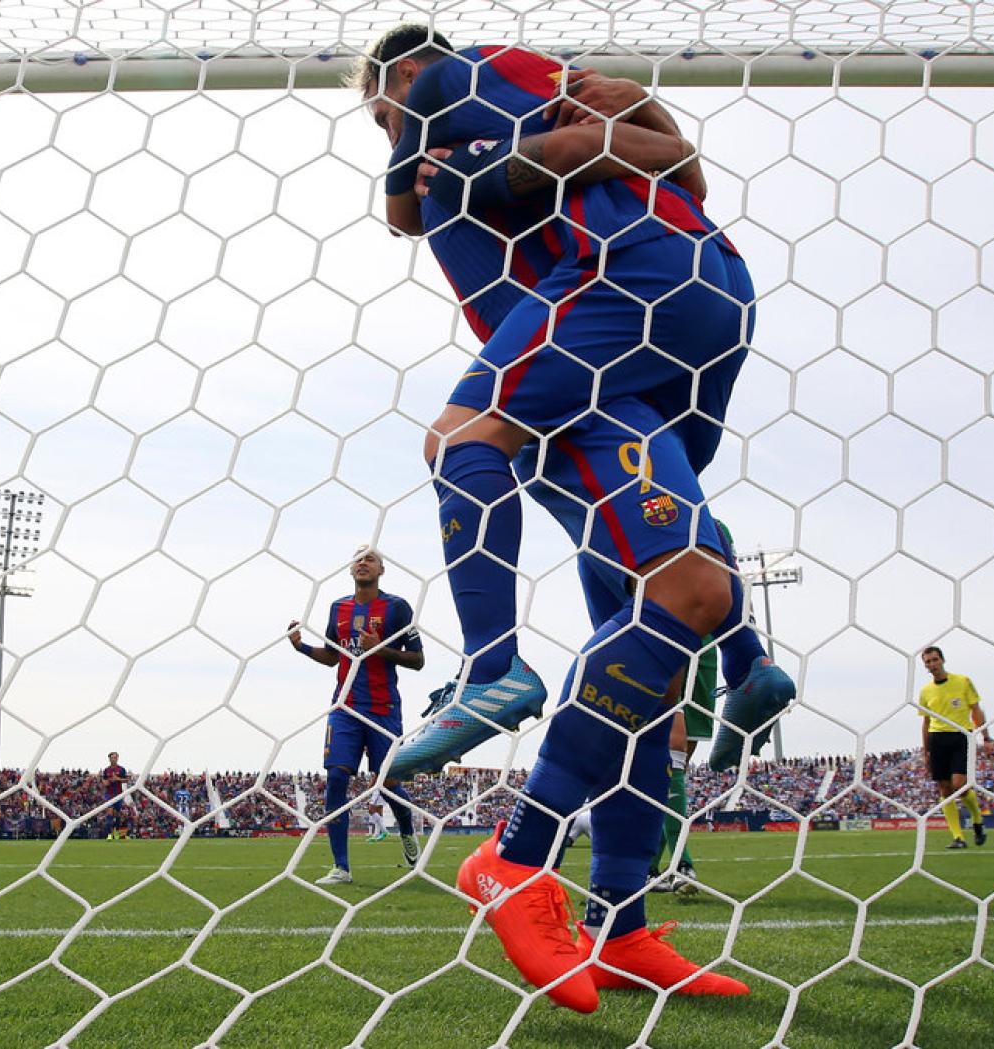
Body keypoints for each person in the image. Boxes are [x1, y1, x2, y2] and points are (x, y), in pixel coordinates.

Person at [354, 27, 781, 1011]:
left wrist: (633, 116)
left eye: (386, 111)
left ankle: (619, 923)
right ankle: (512, 822)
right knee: (466, 440)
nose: (393, 128)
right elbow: (427, 201)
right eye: (387, 118)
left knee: (670, 632)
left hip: (611, 366)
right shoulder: (449, 154)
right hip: (575, 380)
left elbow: (662, 165)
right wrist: (628, 127)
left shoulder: (472, 115)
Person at [287, 545, 426, 885]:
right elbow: (332, 657)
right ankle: (341, 867)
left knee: (387, 784)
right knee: (336, 779)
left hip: (383, 709)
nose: (363, 562)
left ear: (381, 570)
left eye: (370, 558)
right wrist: (300, 646)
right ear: (351, 569)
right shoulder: (338, 608)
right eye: (358, 559)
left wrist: (380, 648)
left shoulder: (397, 608)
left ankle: (406, 830)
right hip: (344, 708)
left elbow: (418, 660)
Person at [917, 646, 989, 850]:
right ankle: (958, 837)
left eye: (935, 659)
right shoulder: (925, 691)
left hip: (961, 736)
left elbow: (976, 710)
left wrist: (986, 736)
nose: (932, 664)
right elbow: (926, 722)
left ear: (942, 660)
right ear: (925, 666)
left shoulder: (963, 681)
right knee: (945, 789)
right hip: (937, 739)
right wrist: (926, 751)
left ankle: (977, 819)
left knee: (960, 785)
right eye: (928, 662)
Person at [101, 751, 132, 840]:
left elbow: (126, 780)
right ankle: (109, 835)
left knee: (118, 815)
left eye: (115, 757)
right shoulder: (106, 770)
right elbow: (105, 782)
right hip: (109, 795)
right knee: (110, 813)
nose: (113, 759)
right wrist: (109, 780)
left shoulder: (121, 769)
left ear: (117, 758)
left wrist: (118, 779)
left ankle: (117, 834)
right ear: (109, 759)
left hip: (118, 794)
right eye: (112, 758)